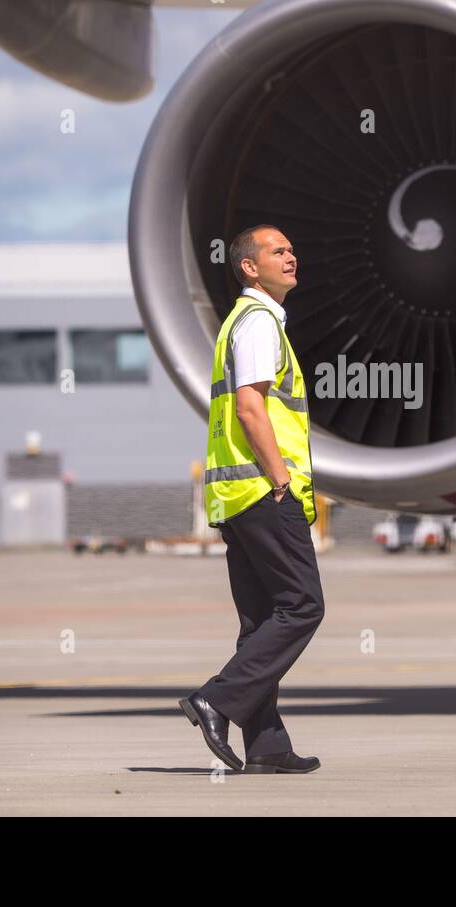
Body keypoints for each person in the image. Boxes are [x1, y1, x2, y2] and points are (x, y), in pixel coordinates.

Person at [178, 224, 325, 774]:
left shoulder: (241, 323)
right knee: (303, 606)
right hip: (264, 491)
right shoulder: (260, 323)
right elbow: (249, 408)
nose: (292, 256)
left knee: (261, 618)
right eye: (278, 251)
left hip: (236, 495)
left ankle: (266, 746)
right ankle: (215, 699)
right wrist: (282, 478)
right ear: (248, 266)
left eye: (291, 248)